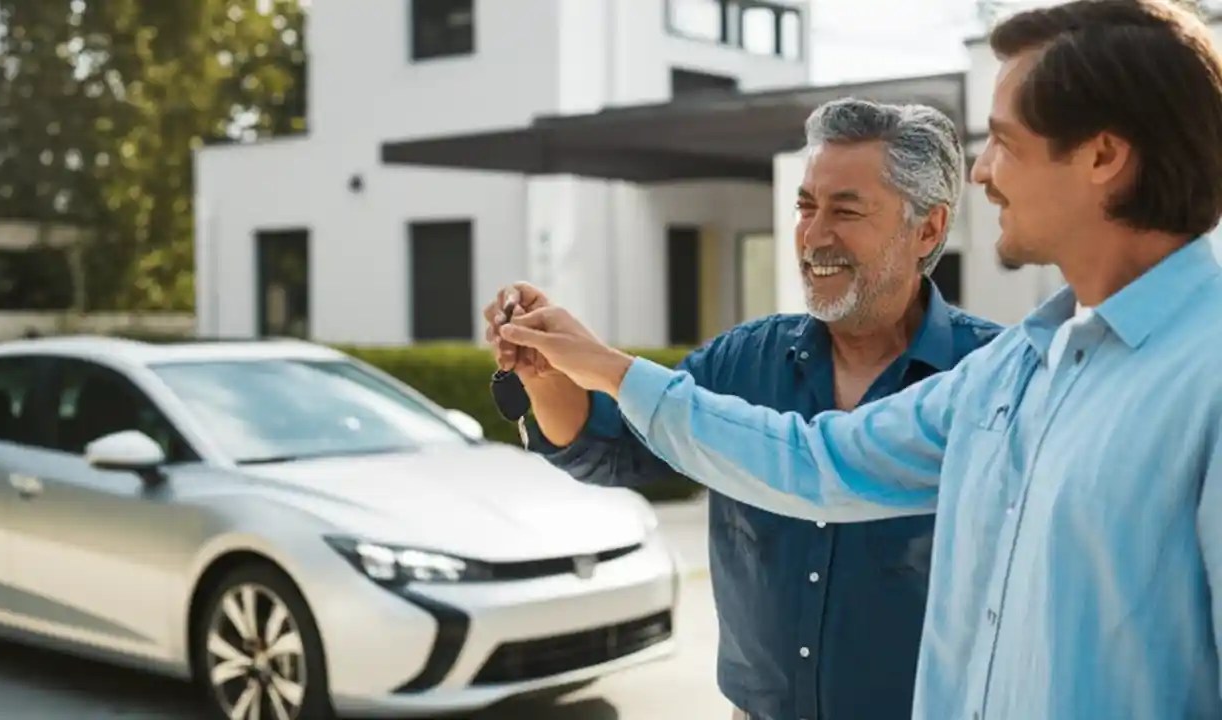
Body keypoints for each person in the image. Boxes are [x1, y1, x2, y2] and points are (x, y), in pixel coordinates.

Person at [494, 1, 1222, 717]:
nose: (982, 174)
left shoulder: (1200, 375)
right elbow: (816, 463)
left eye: (1004, 140)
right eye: (806, 206)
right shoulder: (1023, 369)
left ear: (1102, 155)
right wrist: (599, 368)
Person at [485, 98, 1001, 720]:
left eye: (846, 210)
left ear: (928, 229)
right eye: (806, 207)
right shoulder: (742, 362)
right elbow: (612, 449)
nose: (814, 235)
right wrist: (545, 370)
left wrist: (607, 363)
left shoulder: (991, 379)